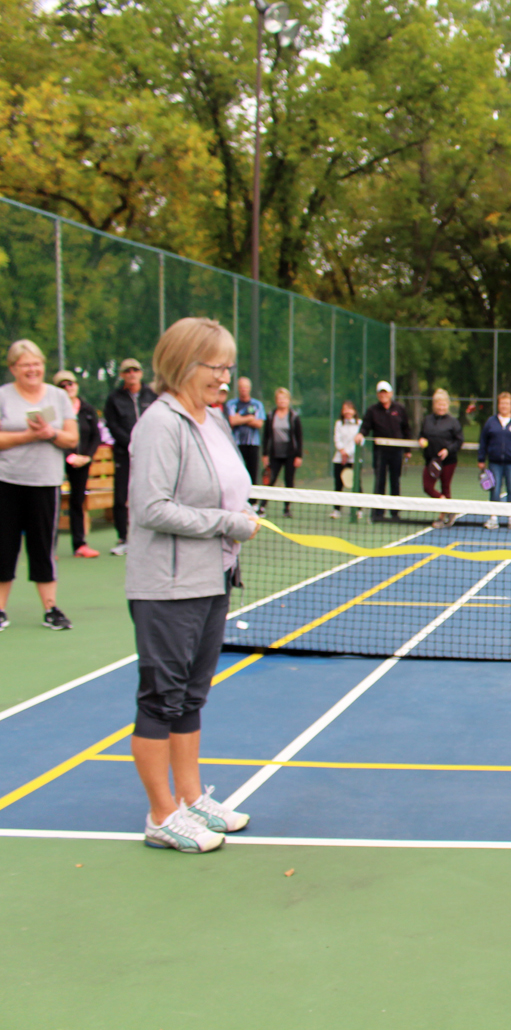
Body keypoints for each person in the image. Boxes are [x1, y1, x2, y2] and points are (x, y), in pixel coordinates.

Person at [126, 316, 258, 853]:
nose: (225, 378)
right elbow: (151, 507)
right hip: (167, 584)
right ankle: (161, 814)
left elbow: (226, 490)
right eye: (216, 367)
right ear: (184, 362)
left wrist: (241, 513)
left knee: (192, 696)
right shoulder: (160, 423)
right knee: (162, 697)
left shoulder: (213, 421)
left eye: (230, 367)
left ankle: (190, 797)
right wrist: (228, 523)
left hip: (213, 575)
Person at [0, 340, 80, 631]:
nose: (32, 370)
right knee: (4, 545)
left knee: (43, 546)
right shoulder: (3, 397)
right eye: (25, 365)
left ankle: (51, 609)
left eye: (36, 364)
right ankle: (0, 610)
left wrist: (49, 432)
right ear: (13, 369)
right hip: (7, 481)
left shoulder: (58, 397)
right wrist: (27, 436)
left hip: (45, 482)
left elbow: (71, 439)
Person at [102, 357, 157, 556]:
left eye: (135, 370)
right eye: (127, 371)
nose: (131, 374)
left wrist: (147, 444)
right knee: (121, 497)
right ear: (122, 375)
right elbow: (112, 425)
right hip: (124, 454)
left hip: (150, 453)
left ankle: (149, 537)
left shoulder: (152, 395)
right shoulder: (114, 398)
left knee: (151, 493)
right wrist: (132, 443)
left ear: (141, 373)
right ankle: (123, 538)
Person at [55, 369, 102, 558]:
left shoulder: (87, 409)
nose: (68, 388)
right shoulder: (54, 410)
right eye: (62, 385)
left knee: (77, 502)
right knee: (54, 503)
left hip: (82, 462)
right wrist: (69, 456)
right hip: (58, 461)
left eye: (70, 384)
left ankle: (80, 545)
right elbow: (51, 434)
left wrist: (87, 457)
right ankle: (50, 548)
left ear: (76, 386)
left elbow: (95, 436)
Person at [355, 381, 410, 521]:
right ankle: (378, 514)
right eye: (381, 393)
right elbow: (365, 426)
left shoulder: (400, 409)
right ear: (378, 395)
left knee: (395, 481)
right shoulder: (372, 410)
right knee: (379, 482)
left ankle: (395, 513)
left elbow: (406, 429)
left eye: (385, 392)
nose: (383, 395)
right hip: (380, 452)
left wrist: (407, 450)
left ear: (390, 394)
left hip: (396, 452)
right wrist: (361, 434)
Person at [478, 391, 511, 530]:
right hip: (495, 463)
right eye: (502, 403)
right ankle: (493, 518)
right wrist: (481, 458)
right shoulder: (491, 422)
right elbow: (483, 441)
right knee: (494, 491)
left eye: (507, 403)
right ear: (498, 405)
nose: (504, 406)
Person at [419, 388, 464, 528]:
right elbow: (421, 434)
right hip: (431, 461)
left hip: (448, 461)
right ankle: (449, 507)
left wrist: (447, 450)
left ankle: (443, 518)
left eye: (444, 404)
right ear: (434, 405)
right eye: (439, 404)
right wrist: (421, 439)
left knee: (446, 488)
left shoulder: (453, 422)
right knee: (428, 487)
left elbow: (459, 441)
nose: (441, 407)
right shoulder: (427, 420)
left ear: (447, 405)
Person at [260, 387, 303, 516]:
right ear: (276, 400)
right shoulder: (271, 415)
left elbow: (299, 437)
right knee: (270, 480)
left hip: (290, 454)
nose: (282, 401)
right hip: (274, 454)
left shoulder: (294, 417)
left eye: (284, 398)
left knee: (289, 481)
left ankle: (287, 509)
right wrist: (265, 454)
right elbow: (266, 436)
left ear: (289, 400)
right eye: (279, 398)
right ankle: (262, 507)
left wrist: (298, 456)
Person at [226, 376, 266, 490]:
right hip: (236, 444)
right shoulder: (231, 404)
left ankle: (252, 501)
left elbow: (259, 423)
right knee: (236, 472)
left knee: (252, 472)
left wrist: (240, 419)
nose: (244, 389)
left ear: (250, 388)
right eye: (241, 387)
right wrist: (249, 418)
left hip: (253, 444)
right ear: (238, 388)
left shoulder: (257, 404)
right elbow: (232, 421)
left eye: (246, 387)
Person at [331, 400, 360, 519]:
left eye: (349, 408)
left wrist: (347, 454)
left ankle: (358, 509)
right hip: (339, 460)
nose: (347, 411)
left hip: (354, 460)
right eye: (345, 409)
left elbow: (358, 441)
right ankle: (336, 510)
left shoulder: (359, 424)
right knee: (338, 485)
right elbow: (337, 439)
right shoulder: (339, 424)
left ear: (354, 411)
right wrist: (342, 452)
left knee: (357, 485)